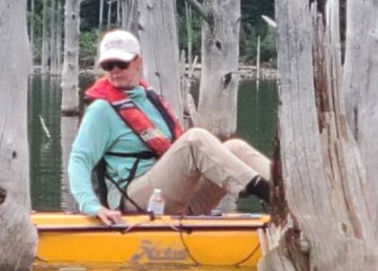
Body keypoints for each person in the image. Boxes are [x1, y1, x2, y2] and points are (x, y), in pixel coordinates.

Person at [67, 29, 273, 225]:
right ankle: (269, 194)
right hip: (135, 202)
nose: (114, 71)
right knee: (195, 138)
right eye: (108, 65)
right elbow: (79, 159)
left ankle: (291, 198)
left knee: (236, 147)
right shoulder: (101, 110)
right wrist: (91, 206)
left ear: (139, 62)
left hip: (171, 198)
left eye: (121, 63)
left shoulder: (150, 101)